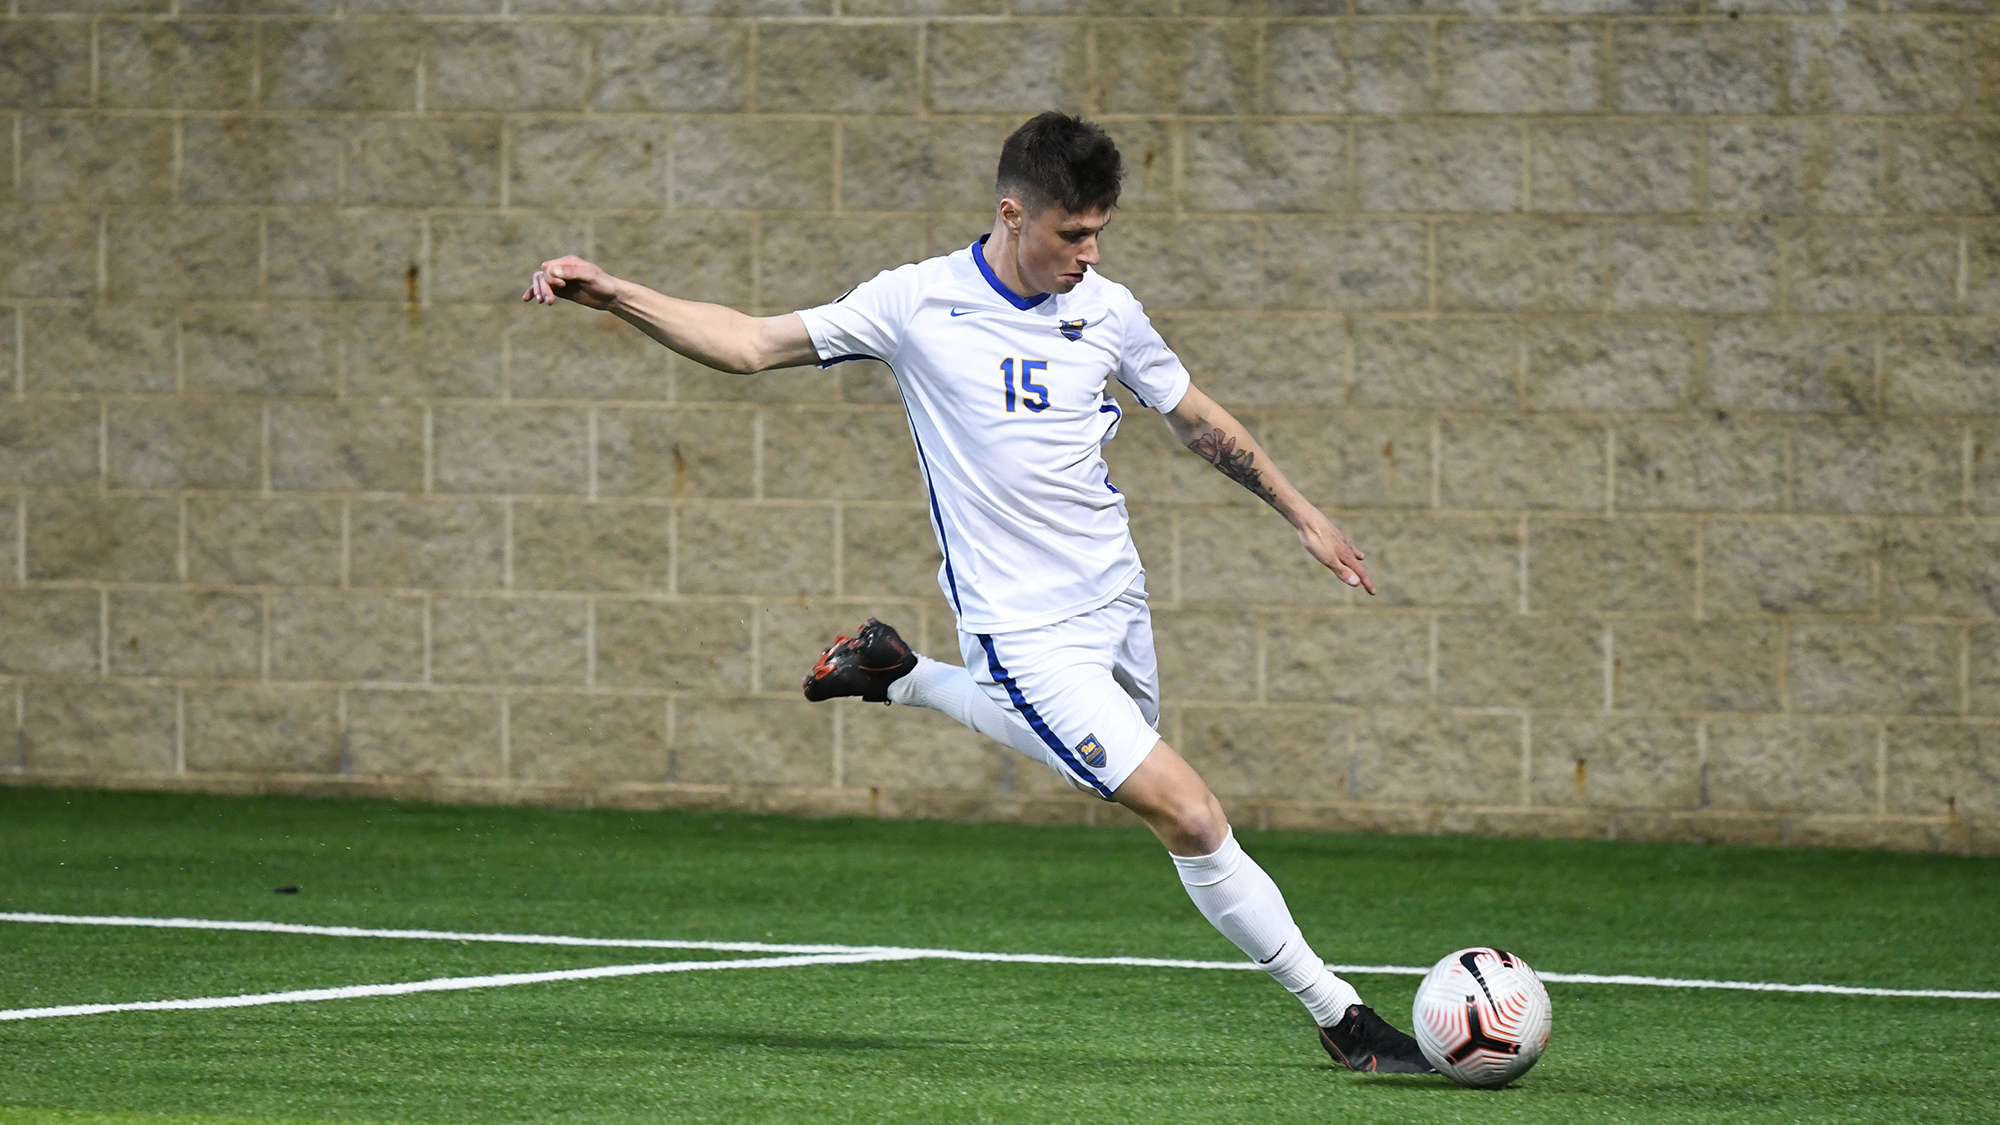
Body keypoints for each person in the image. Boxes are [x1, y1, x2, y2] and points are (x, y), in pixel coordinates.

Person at [524, 111, 1435, 1075]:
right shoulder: (915, 303)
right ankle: (1343, 1019)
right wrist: (617, 293)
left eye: (1100, 235)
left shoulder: (1108, 310)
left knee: (1098, 758)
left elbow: (1193, 414)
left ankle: (902, 671)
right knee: (1190, 815)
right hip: (1023, 630)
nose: (1087, 255)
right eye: (1070, 235)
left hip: (1117, 602)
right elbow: (751, 343)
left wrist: (1300, 512)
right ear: (1013, 213)